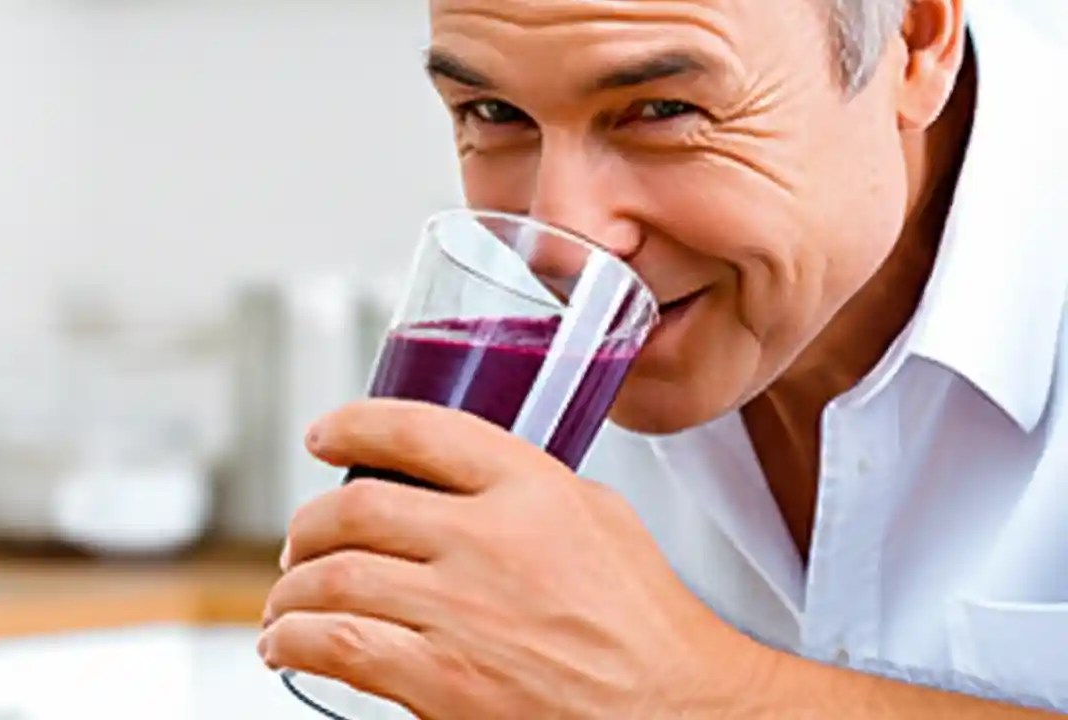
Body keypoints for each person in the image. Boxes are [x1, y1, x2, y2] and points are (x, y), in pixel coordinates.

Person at [260, 0, 1068, 715]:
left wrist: (696, 697)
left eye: (662, 108)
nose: (568, 242)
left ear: (917, 41)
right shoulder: (545, 346)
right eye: (495, 110)